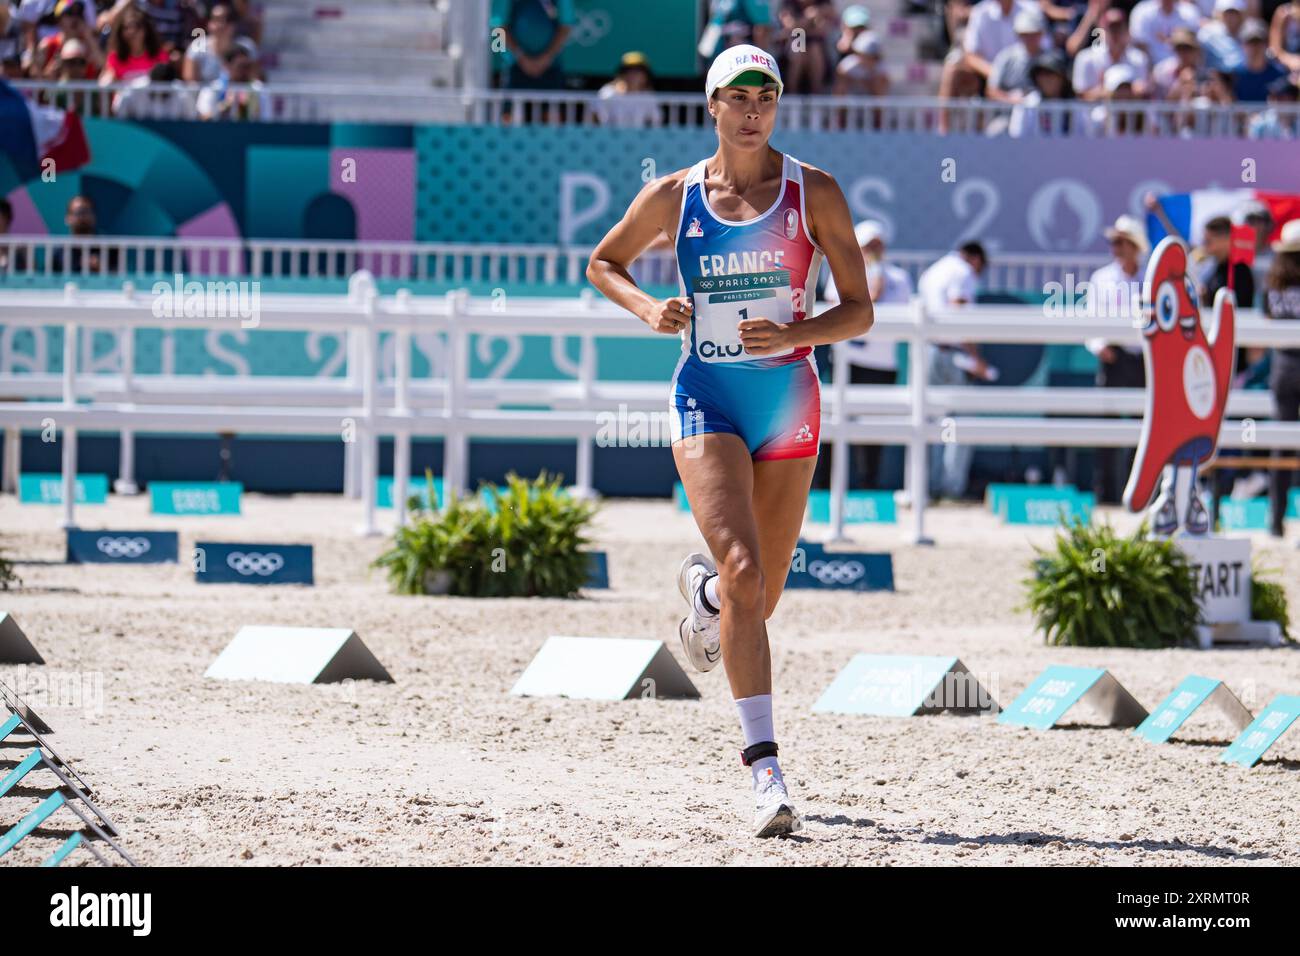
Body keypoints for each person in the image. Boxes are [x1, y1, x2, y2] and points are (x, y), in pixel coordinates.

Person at [585, 44, 872, 838]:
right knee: (744, 567)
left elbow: (859, 311)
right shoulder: (674, 195)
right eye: (738, 97)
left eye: (765, 97)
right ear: (711, 106)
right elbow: (603, 263)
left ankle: (707, 600)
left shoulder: (815, 192)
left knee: (758, 598)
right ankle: (766, 771)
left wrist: (795, 333)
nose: (752, 110)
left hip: (788, 399)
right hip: (706, 395)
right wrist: (649, 309)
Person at [814, 220, 912, 491]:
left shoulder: (899, 278)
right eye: (869, 245)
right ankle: (825, 486)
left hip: (882, 364)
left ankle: (869, 486)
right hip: (848, 361)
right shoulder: (841, 274)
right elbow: (844, 310)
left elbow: (894, 312)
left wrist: (877, 278)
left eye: (878, 244)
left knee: (873, 430)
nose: (874, 250)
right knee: (833, 423)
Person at [1085, 215, 1149, 503]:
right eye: (1114, 242)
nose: (1116, 248)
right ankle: (1106, 492)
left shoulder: (1151, 278)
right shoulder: (1102, 279)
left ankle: (1137, 490)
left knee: (1143, 427)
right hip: (1115, 356)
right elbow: (1091, 318)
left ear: (1134, 246)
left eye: (1121, 242)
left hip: (1144, 359)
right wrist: (1099, 345)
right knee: (1107, 425)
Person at [919, 241, 989, 500]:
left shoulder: (933, 271)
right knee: (959, 423)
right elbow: (958, 313)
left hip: (930, 350)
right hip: (953, 354)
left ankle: (932, 485)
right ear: (976, 259)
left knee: (934, 422)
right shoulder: (962, 272)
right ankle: (951, 487)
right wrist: (975, 357)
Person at [1264, 218, 1300, 536]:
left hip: (1283, 367)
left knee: (1282, 445)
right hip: (1290, 364)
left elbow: (1266, 319)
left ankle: (1276, 519)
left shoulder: (1273, 285)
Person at [1071, 7, 1151, 101]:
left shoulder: (1139, 59)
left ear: (1127, 31)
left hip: (1128, 110)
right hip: (1096, 110)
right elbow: (1081, 95)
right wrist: (1106, 92)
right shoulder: (1085, 58)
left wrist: (1137, 91)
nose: (1115, 34)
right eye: (1111, 29)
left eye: (1119, 29)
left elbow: (1143, 93)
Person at [592, 50, 658, 127]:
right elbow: (594, 115)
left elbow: (655, 122)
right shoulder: (608, 93)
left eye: (638, 71)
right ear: (622, 74)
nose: (633, 75)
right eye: (629, 71)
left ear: (645, 76)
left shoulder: (649, 97)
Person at [1233, 19, 1287, 101]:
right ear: (1242, 44)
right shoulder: (1234, 76)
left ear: (1266, 44)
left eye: (1258, 42)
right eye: (1250, 42)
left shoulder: (1279, 75)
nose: (1255, 47)